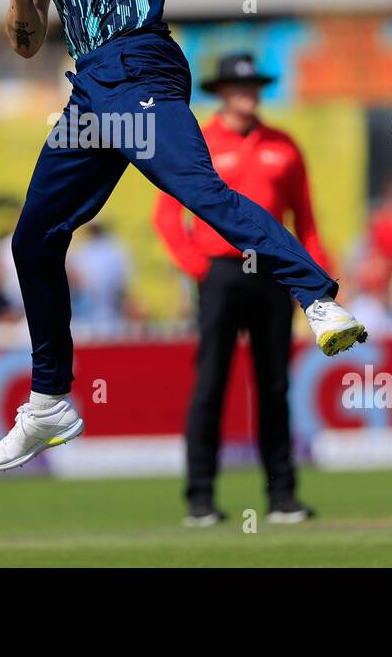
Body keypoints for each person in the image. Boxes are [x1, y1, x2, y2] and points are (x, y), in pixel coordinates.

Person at [0, 0, 366, 473]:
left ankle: (317, 299)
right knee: (33, 240)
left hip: (139, 65)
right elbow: (28, 41)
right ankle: (49, 401)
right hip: (90, 89)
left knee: (202, 193)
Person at [153, 53, 329, 525]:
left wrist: (317, 282)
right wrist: (199, 267)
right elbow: (168, 216)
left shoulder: (284, 146)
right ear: (222, 91)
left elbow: (305, 220)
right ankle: (200, 500)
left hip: (272, 275)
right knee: (211, 384)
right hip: (220, 275)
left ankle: (283, 497)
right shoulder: (200, 141)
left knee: (275, 386)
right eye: (236, 86)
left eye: (251, 86)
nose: (245, 94)